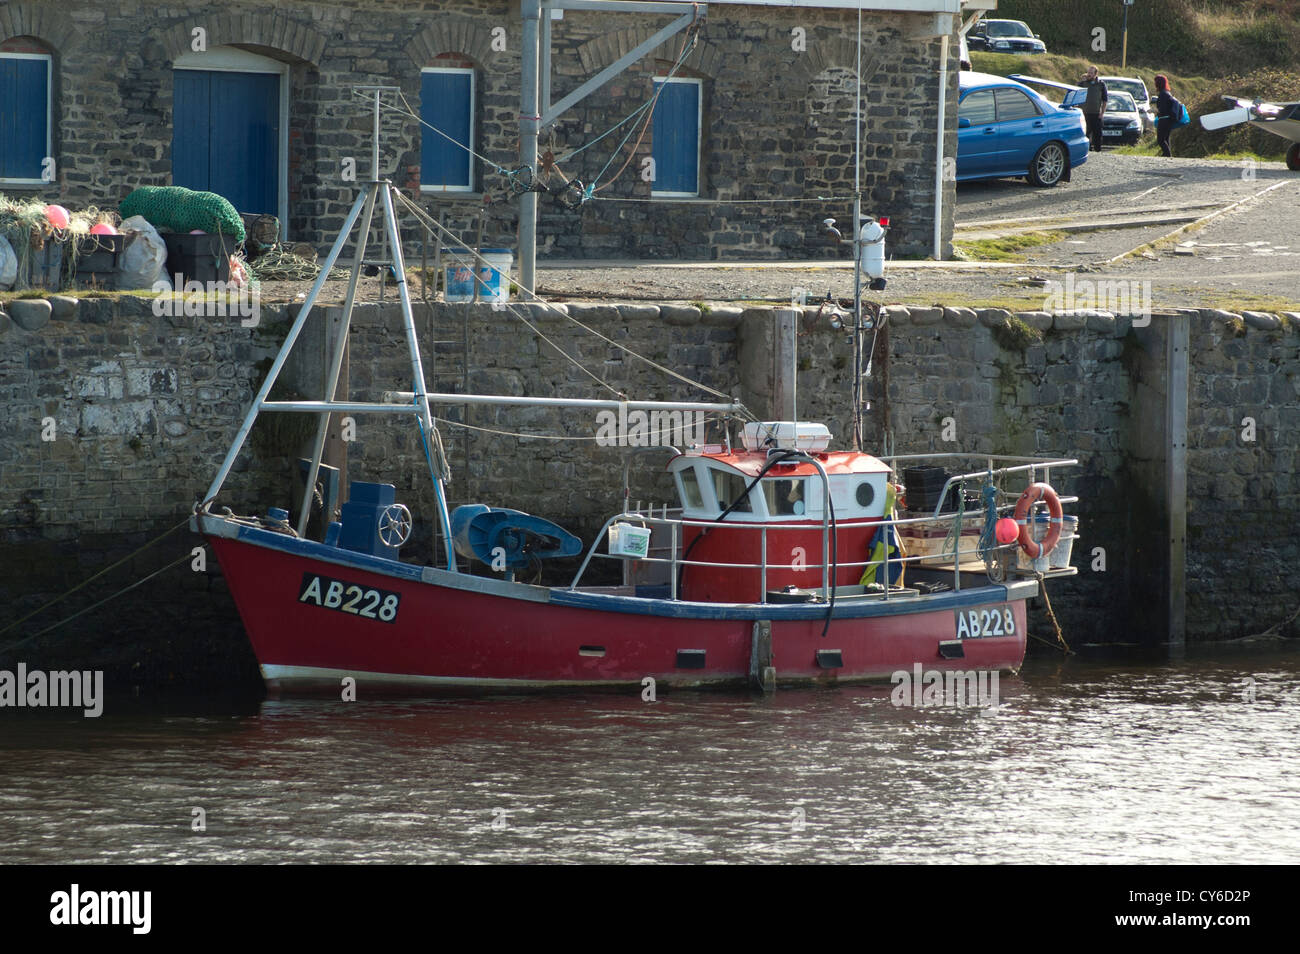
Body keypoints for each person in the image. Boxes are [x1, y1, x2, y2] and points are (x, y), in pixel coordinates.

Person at [1080, 66, 1108, 152]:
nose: (1089, 74)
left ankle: (1098, 151)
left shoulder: (1101, 84)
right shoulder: (1082, 84)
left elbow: (1105, 100)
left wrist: (1102, 113)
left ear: (1096, 74)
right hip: (1084, 114)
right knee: (1085, 133)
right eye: (1088, 72)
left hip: (1096, 114)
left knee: (1097, 134)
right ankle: (1086, 150)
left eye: (1091, 73)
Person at [1154, 74, 1179, 157]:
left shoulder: (1162, 94)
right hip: (1169, 119)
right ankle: (1166, 155)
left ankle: (1167, 154)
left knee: (1160, 139)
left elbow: (1163, 110)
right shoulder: (1167, 93)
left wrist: (1154, 111)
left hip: (1164, 119)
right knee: (1166, 138)